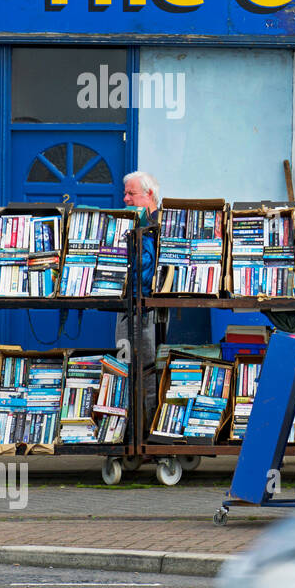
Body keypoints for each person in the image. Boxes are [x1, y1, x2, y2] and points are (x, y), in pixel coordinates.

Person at [119, 171, 161, 426]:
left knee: (147, 368)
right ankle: (130, 428)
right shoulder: (131, 224)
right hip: (127, 305)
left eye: (131, 194)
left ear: (149, 194)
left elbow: (147, 270)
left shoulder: (159, 226)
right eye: (124, 193)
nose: (125, 199)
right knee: (124, 365)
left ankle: (147, 430)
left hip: (147, 308)